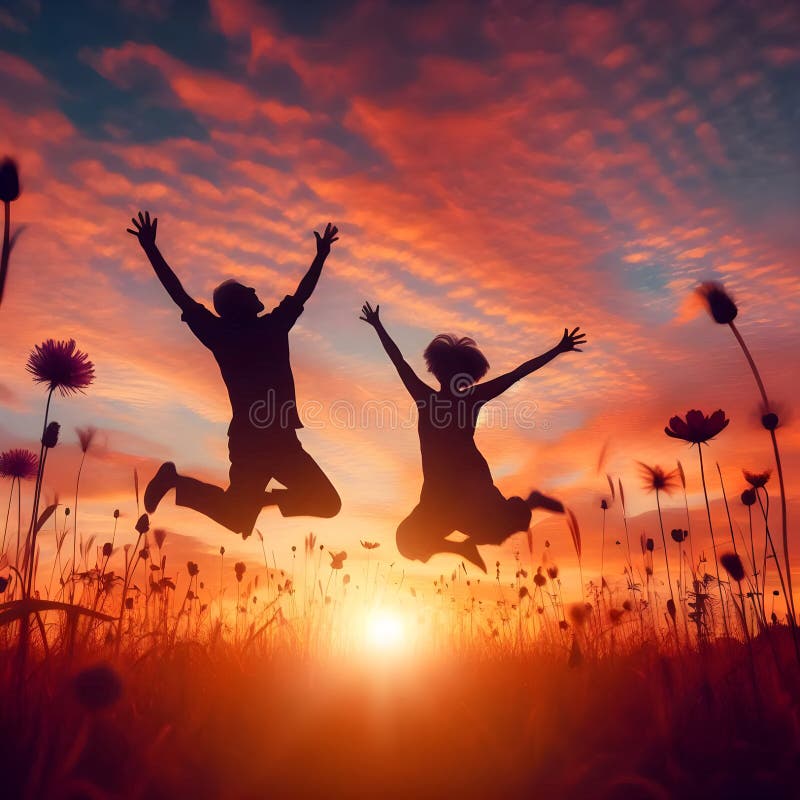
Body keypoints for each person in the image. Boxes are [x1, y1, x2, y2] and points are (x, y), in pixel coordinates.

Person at [127, 210, 341, 538]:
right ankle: (179, 482)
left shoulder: (250, 329)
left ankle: (216, 493)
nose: (255, 288)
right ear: (238, 304)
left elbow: (180, 296)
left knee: (324, 503)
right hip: (255, 442)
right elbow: (179, 296)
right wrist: (150, 249)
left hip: (280, 441)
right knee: (278, 511)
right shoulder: (250, 330)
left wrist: (320, 256)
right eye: (247, 290)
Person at [359, 301, 585, 571]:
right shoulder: (427, 398)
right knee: (406, 542)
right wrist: (378, 326)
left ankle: (531, 501)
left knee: (496, 530)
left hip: (471, 487)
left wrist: (557, 350)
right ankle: (461, 547)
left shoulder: (468, 399)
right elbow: (399, 362)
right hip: (436, 495)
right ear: (441, 372)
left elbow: (517, 374)